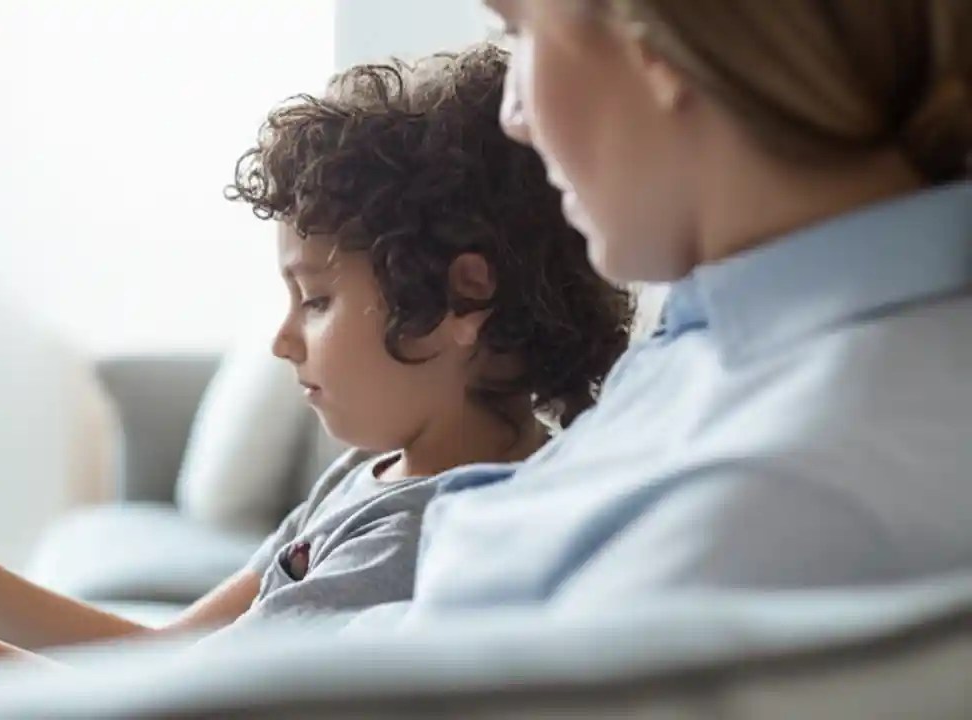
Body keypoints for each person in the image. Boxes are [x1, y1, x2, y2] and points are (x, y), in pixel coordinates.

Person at [0, 44, 631, 682]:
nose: (283, 339)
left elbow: (168, 712)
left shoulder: (433, 532)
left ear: (464, 300)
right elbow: (176, 654)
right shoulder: (375, 477)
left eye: (316, 298)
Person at [408, 0, 972, 615]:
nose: (514, 116)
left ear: (653, 45)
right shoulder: (727, 338)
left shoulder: (766, 505)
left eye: (518, 30)